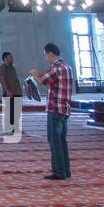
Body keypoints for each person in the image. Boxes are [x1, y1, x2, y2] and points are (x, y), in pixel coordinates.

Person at [33, 43, 73, 180]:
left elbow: (42, 80)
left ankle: (59, 172)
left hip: (55, 109)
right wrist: (39, 74)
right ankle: (66, 171)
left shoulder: (56, 68)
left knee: (54, 140)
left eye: (45, 55)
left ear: (51, 53)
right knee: (62, 141)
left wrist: (33, 74)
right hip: (65, 109)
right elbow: (47, 77)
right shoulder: (67, 67)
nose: (46, 58)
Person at [0, 51, 22, 135]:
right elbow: (2, 79)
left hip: (17, 91)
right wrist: (7, 90)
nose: (12, 59)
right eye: (10, 57)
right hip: (9, 92)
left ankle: (15, 128)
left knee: (17, 111)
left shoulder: (12, 67)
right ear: (5, 58)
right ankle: (9, 129)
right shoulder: (2, 67)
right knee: (10, 111)